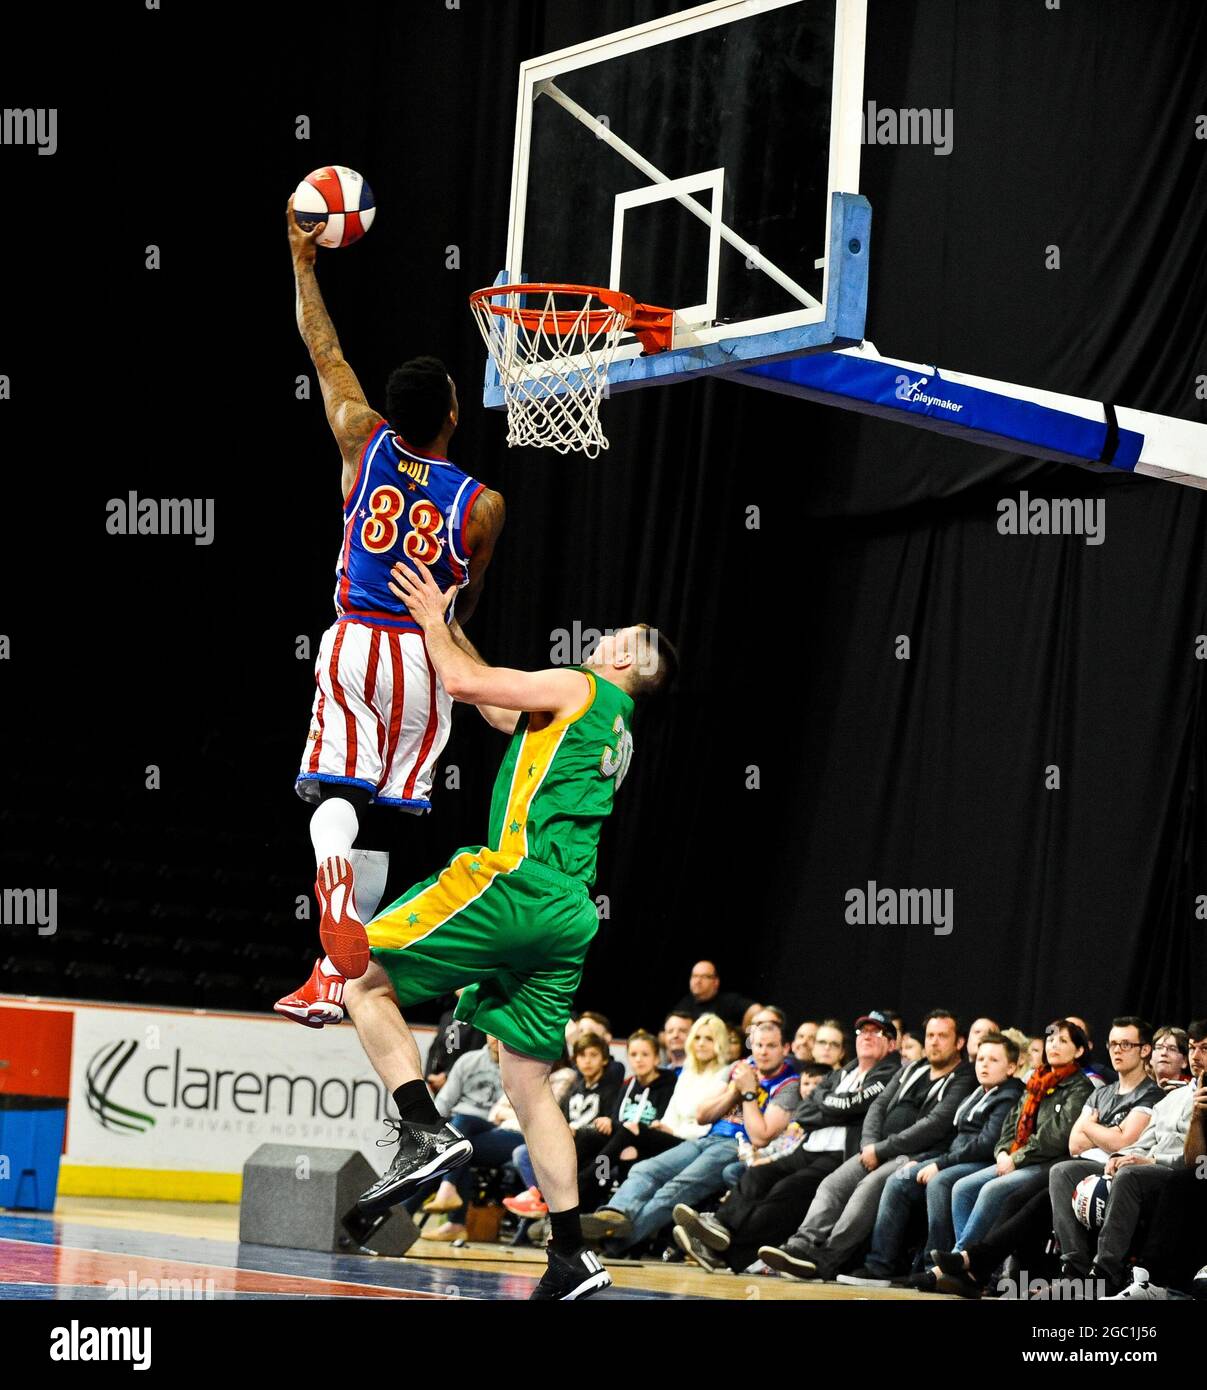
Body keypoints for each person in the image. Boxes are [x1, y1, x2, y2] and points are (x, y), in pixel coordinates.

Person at [322, 554, 676, 1300]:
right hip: (570, 913)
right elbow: (496, 707)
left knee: (357, 977)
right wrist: (451, 626)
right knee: (526, 1081)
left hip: (517, 880)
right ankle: (570, 1252)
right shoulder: (610, 722)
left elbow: (463, 686)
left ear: (621, 656)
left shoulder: (581, 686)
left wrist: (425, 617)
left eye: (618, 632)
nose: (606, 633)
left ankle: (423, 1128)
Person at [275, 204, 505, 1025]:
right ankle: (336, 973)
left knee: (335, 789)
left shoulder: (358, 436)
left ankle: (330, 902)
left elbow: (324, 349)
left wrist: (305, 263)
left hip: (352, 639)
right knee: (392, 805)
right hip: (420, 652)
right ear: (451, 413)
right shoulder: (482, 504)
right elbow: (466, 594)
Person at [671, 1009, 900, 1274]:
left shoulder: (890, 1073)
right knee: (759, 1173)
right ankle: (719, 1227)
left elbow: (850, 1104)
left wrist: (828, 1105)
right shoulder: (841, 1074)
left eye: (878, 1032)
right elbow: (808, 1109)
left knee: (787, 1192)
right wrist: (831, 1106)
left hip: (839, 1154)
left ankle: (727, 1254)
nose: (868, 1037)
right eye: (864, 1031)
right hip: (808, 1146)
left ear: (891, 1044)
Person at [759, 1008, 974, 1281]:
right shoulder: (914, 1069)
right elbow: (878, 1105)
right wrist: (870, 1144)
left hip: (917, 1154)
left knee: (868, 1188)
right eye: (930, 1035)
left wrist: (882, 1150)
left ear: (959, 1042)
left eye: (942, 1036)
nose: (933, 1041)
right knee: (832, 1184)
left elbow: (935, 1124)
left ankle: (826, 1259)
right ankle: (799, 1246)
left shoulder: (964, 1076)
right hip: (878, 1148)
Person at [580, 1020, 795, 1253]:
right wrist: (735, 1091)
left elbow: (761, 1137)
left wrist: (750, 1094)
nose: (762, 1051)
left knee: (675, 1188)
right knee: (645, 1170)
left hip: (739, 1147)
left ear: (785, 1049)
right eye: (758, 1045)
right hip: (706, 1138)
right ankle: (614, 1215)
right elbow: (703, 1115)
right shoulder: (740, 1068)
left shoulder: (788, 1084)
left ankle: (611, 1243)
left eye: (771, 1046)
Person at [837, 1031, 1024, 1286]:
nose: (983, 1065)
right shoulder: (977, 1093)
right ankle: (880, 1265)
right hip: (954, 1156)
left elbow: (985, 1144)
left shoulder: (1009, 1095)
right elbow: (952, 1138)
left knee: (940, 1182)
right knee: (899, 1178)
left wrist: (940, 1164)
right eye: (980, 1059)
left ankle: (933, 1269)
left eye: (993, 1060)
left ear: (1011, 1067)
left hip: (980, 1161)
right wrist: (924, 1159)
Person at [938, 1019, 1094, 1261]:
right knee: (962, 1188)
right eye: (1051, 1039)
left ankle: (962, 1259)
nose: (1053, 1045)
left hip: (1048, 1163)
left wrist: (1016, 1158)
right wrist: (1002, 1152)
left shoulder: (1080, 1087)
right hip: (1017, 1157)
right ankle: (969, 1262)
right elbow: (1011, 1123)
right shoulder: (1036, 1081)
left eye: (1063, 1041)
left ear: (1079, 1050)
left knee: (992, 1189)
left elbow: (1055, 1136)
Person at [1047, 1017, 1163, 1284]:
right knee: (1061, 1171)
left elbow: (1123, 1142)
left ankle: (1103, 1274)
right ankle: (1073, 1268)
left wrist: (1091, 1126)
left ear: (1145, 1050)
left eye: (1125, 1044)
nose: (1117, 1050)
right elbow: (1074, 1143)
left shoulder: (1151, 1093)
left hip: (1123, 1166)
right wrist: (1107, 1133)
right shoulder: (1101, 1093)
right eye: (1112, 1044)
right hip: (1091, 1165)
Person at [423, 990, 485, 1094]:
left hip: (462, 1082)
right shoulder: (447, 1016)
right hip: (438, 1081)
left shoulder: (478, 1019)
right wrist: (429, 1075)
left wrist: (447, 1076)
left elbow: (473, 1053)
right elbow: (434, 1049)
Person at [671, 961, 753, 1026]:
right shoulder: (684, 1004)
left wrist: (745, 1036)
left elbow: (755, 1010)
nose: (698, 981)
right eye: (695, 976)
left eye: (704, 976)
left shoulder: (729, 1001)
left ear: (716, 982)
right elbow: (663, 1034)